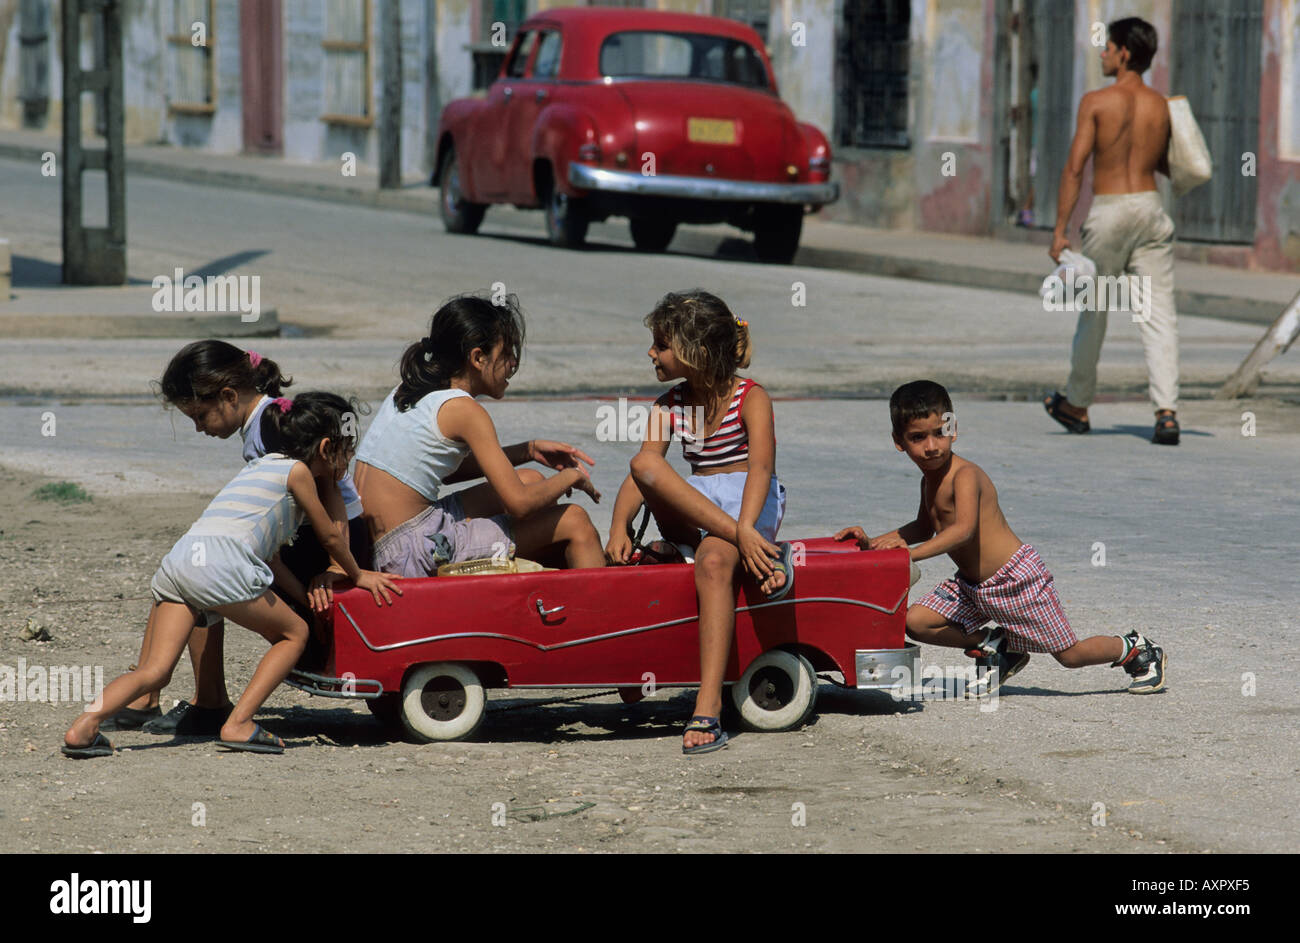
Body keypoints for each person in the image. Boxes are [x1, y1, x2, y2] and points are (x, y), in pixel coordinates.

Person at [62, 393, 402, 758]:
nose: (346, 462)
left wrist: (305, 600)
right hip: (221, 566)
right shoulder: (298, 472)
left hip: (180, 564)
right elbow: (332, 535)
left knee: (156, 671)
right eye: (346, 451)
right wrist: (358, 575)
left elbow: (271, 563)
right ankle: (239, 723)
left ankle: (83, 728)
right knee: (294, 634)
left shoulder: (258, 468)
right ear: (325, 447)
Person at [836, 380, 1166, 696]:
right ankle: (998, 647)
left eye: (939, 433)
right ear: (899, 441)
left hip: (1016, 579)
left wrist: (911, 555)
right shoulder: (930, 481)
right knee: (916, 621)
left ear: (953, 427)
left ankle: (1135, 649)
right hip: (972, 586)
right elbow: (923, 526)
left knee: (1069, 655)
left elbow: (962, 531)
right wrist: (872, 544)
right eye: (918, 437)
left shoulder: (965, 475)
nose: (931, 446)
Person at [605, 290, 790, 755]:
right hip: (700, 507)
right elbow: (642, 475)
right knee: (645, 464)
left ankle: (708, 706)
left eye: (661, 345)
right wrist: (618, 527)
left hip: (747, 501)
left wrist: (743, 526)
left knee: (711, 562)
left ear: (695, 351)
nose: (652, 354)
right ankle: (750, 552)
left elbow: (762, 470)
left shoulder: (752, 398)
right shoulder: (670, 405)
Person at [354, 293, 604, 576]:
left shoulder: (413, 387)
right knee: (575, 521)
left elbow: (446, 471)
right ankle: (600, 615)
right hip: (413, 551)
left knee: (531, 479)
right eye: (507, 353)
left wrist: (528, 450)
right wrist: (571, 477)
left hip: (380, 542)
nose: (512, 363)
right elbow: (519, 504)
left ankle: (540, 582)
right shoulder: (465, 410)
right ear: (477, 357)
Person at [1045, 16, 1181, 445]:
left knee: (1095, 312)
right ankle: (1167, 412)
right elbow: (1166, 165)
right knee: (1158, 315)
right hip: (1151, 209)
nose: (1102, 53)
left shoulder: (1096, 102)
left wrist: (1060, 230)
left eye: (1107, 48)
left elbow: (1073, 169)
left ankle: (1078, 404)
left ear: (1124, 53)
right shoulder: (1162, 106)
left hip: (1110, 211)